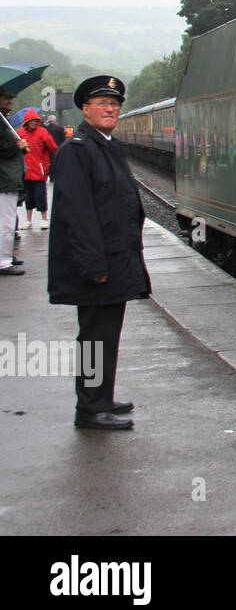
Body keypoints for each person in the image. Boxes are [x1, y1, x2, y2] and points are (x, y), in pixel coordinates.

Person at [49, 75, 151, 430]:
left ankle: (101, 398)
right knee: (94, 338)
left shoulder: (104, 145)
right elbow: (78, 214)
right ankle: (91, 409)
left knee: (105, 335)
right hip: (97, 265)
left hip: (114, 260)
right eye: (102, 103)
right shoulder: (76, 151)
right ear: (85, 109)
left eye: (114, 104)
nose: (110, 108)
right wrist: (93, 265)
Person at [0, 87, 27, 276]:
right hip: (4, 178)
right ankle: (3, 261)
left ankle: (6, 254)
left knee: (8, 220)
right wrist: (16, 145)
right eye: (6, 98)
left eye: (12, 97)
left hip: (7, 176)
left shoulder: (3, 119)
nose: (11, 100)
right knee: (6, 221)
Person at [17, 108, 57, 230]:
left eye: (35, 120)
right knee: (28, 197)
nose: (33, 123)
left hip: (40, 171)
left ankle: (44, 219)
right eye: (31, 120)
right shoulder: (20, 133)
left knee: (41, 196)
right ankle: (28, 220)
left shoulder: (42, 133)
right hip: (26, 171)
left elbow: (52, 147)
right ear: (27, 122)